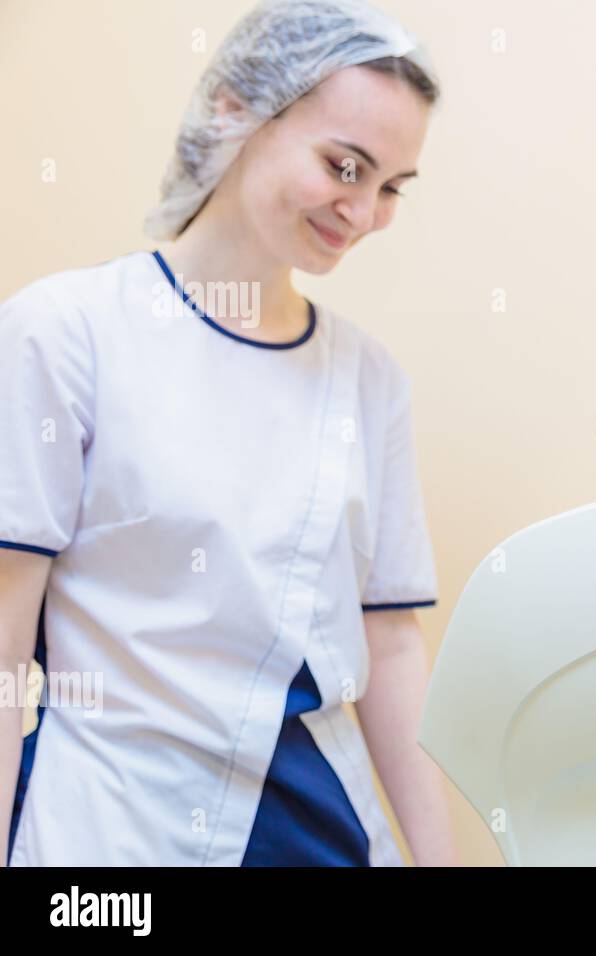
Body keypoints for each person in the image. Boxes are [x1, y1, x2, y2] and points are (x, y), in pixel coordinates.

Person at [0, 0, 456, 866]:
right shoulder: (64, 334)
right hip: (109, 835)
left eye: (392, 187)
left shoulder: (367, 380)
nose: (362, 211)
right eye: (345, 165)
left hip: (314, 828)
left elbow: (390, 647)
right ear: (234, 109)